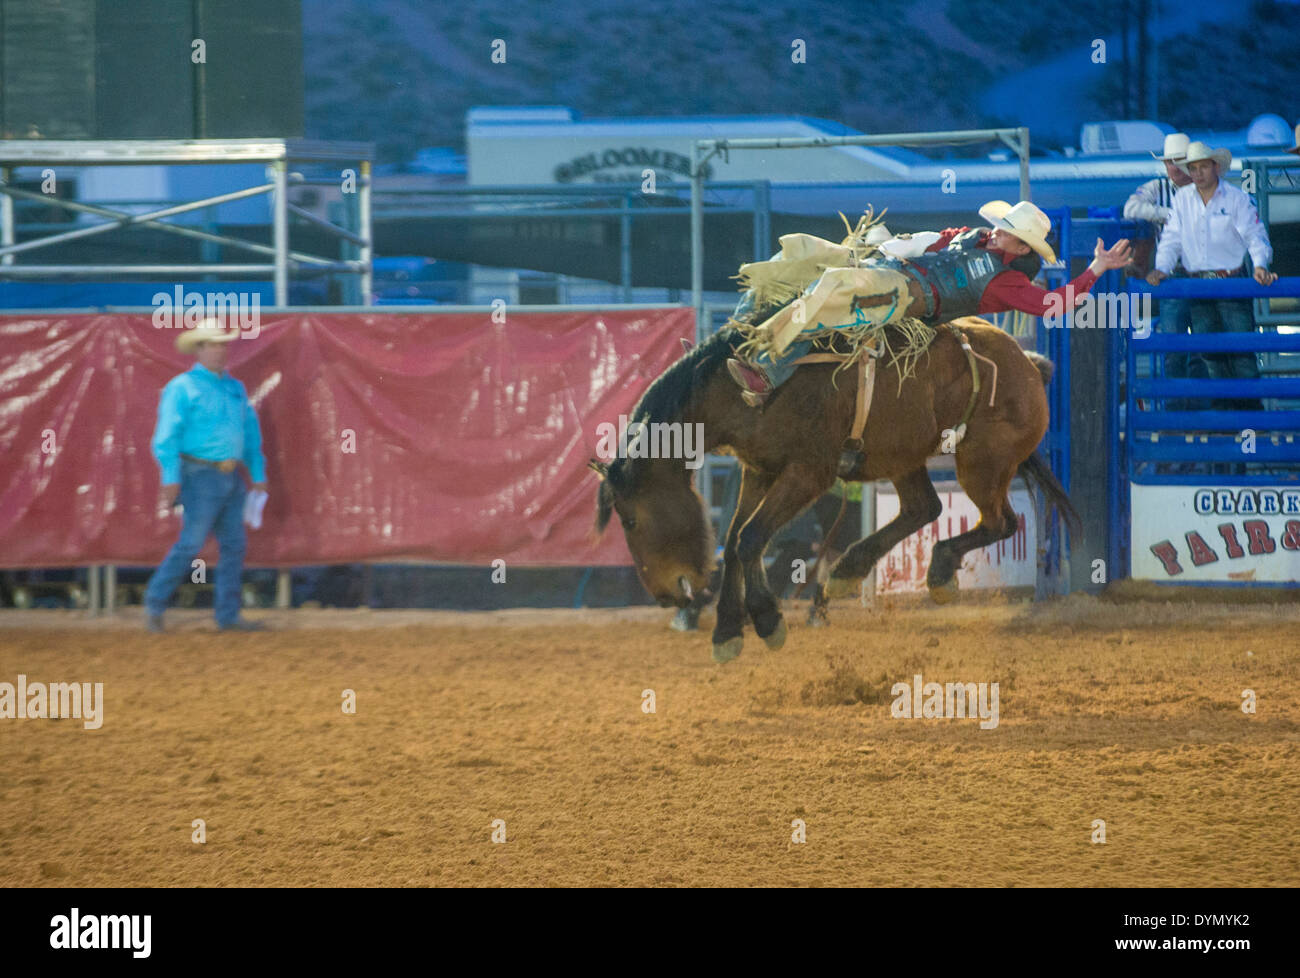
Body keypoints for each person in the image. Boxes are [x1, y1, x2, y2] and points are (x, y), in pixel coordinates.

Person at [727, 200, 1131, 404]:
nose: (995, 231)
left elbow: (1053, 306)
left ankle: (767, 369)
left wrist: (1094, 269)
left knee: (833, 289)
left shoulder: (1005, 283)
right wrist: (885, 244)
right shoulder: (972, 237)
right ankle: (734, 334)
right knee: (799, 252)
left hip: (905, 297)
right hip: (887, 264)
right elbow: (930, 239)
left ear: (1022, 246)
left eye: (1005, 231)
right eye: (1000, 225)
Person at [144, 320, 269, 632]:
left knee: (233, 545)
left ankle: (227, 615)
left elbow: (250, 433)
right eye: (211, 344)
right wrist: (170, 477)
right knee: (192, 543)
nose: (218, 350)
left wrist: (257, 471)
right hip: (199, 475)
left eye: (222, 344)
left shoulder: (234, 388)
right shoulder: (182, 387)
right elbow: (166, 437)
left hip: (228, 476)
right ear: (198, 350)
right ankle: (155, 603)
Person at [1147, 141, 1277, 411]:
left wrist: (1260, 264)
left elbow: (1255, 235)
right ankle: (1228, 415)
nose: (1197, 173)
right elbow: (1171, 238)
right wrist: (1163, 266)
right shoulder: (1182, 200)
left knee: (1240, 351)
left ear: (1215, 167)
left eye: (1202, 167)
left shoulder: (1236, 198)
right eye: (1193, 168)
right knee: (1211, 354)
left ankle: (1249, 414)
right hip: (1200, 284)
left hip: (1230, 281)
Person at [1125, 133, 1200, 406]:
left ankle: (1200, 411)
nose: (1175, 167)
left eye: (1179, 161)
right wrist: (1169, 215)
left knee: (1205, 347)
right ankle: (1177, 412)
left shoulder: (1207, 186)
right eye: (1170, 162)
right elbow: (1131, 208)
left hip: (1205, 275)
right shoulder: (1158, 188)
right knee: (1174, 347)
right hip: (1174, 275)